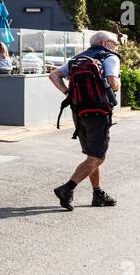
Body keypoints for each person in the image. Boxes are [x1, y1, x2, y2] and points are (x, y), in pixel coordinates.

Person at [49, 30, 121, 210]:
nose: (116, 46)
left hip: (79, 112)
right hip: (98, 113)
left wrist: (68, 93)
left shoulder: (77, 59)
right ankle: (67, 188)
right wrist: (118, 84)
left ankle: (98, 194)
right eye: (115, 43)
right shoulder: (110, 57)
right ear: (105, 43)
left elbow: (53, 75)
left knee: (92, 155)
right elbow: (113, 83)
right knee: (97, 156)